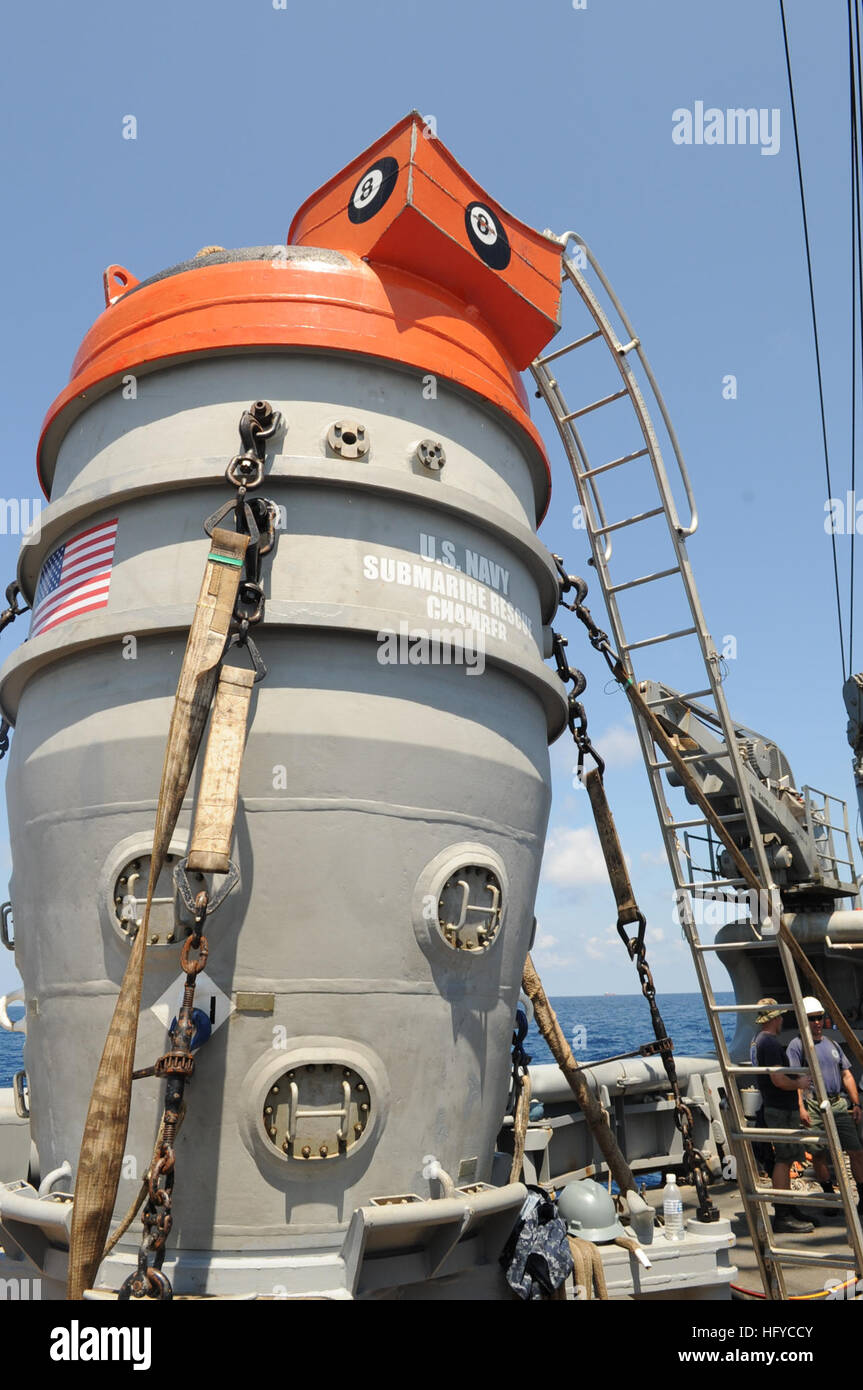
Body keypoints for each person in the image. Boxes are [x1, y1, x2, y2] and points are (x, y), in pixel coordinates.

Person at [787, 996, 863, 1223]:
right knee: (818, 1154)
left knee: (856, 1151)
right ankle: (829, 1196)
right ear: (803, 1021)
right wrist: (800, 1107)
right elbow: (796, 1079)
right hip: (812, 1103)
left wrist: (856, 1103)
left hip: (837, 1103)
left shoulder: (832, 1045)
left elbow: (846, 1074)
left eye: (819, 1018)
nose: (817, 1023)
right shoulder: (796, 1046)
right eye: (811, 1019)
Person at [752, 998, 814, 1233]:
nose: (782, 1020)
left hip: (775, 1106)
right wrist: (798, 1082)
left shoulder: (758, 1041)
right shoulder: (768, 1043)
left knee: (786, 1159)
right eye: (779, 1016)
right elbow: (778, 1080)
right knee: (783, 1160)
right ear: (775, 1018)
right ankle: (783, 1214)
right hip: (779, 1108)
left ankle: (788, 1207)